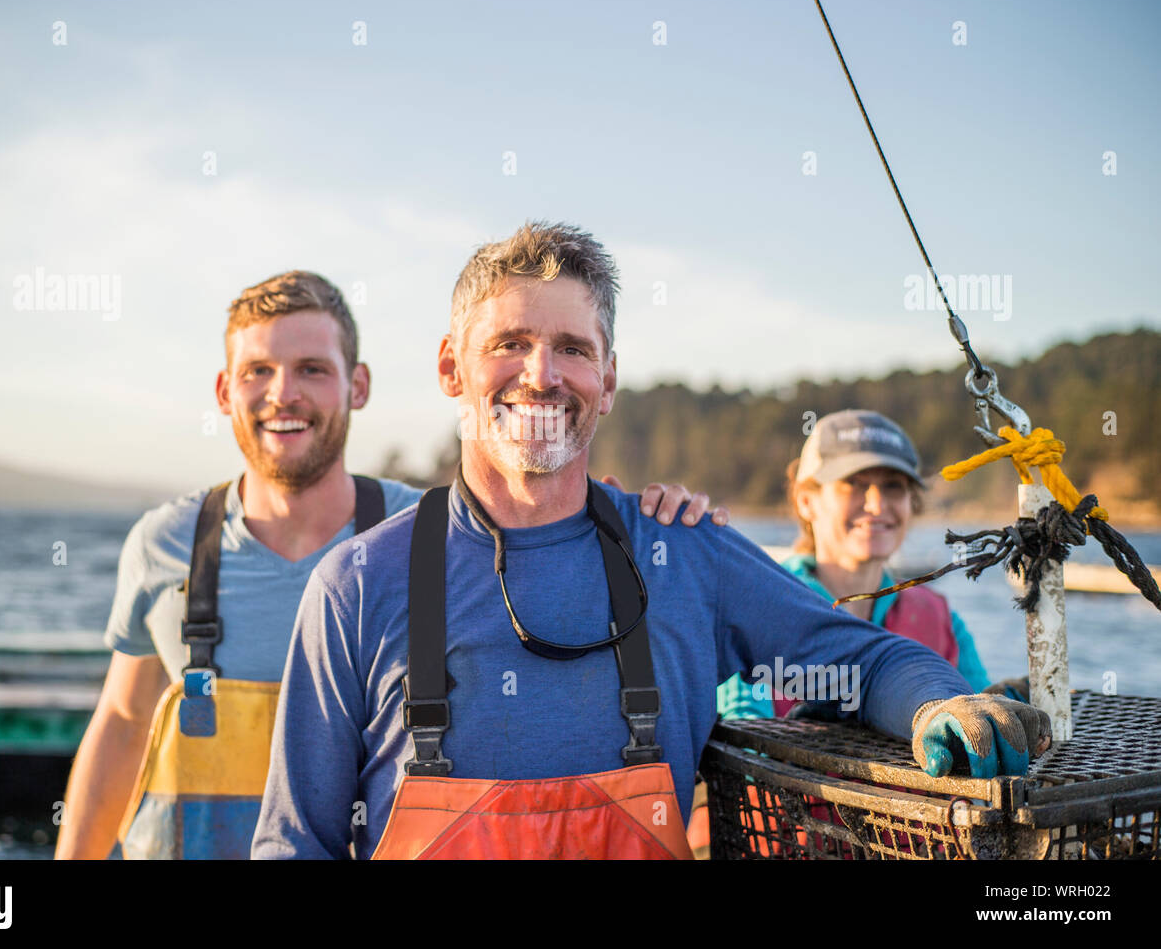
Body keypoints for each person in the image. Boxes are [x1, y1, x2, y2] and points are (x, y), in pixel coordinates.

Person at [252, 221, 1050, 860]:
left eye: (573, 349)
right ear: (450, 369)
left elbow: (870, 659)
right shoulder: (356, 583)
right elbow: (296, 844)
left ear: (608, 380)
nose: (542, 374)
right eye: (509, 344)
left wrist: (941, 704)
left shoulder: (684, 551)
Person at [54, 269, 724, 860]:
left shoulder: (421, 547)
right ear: (226, 390)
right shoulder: (164, 544)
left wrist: (635, 519)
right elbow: (120, 722)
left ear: (359, 385)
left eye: (313, 368)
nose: (283, 393)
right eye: (258, 371)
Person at [716, 409, 1022, 722]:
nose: (876, 506)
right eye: (854, 483)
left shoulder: (942, 619)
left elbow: (988, 717)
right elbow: (745, 736)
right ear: (807, 500)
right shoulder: (758, 608)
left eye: (893, 486)